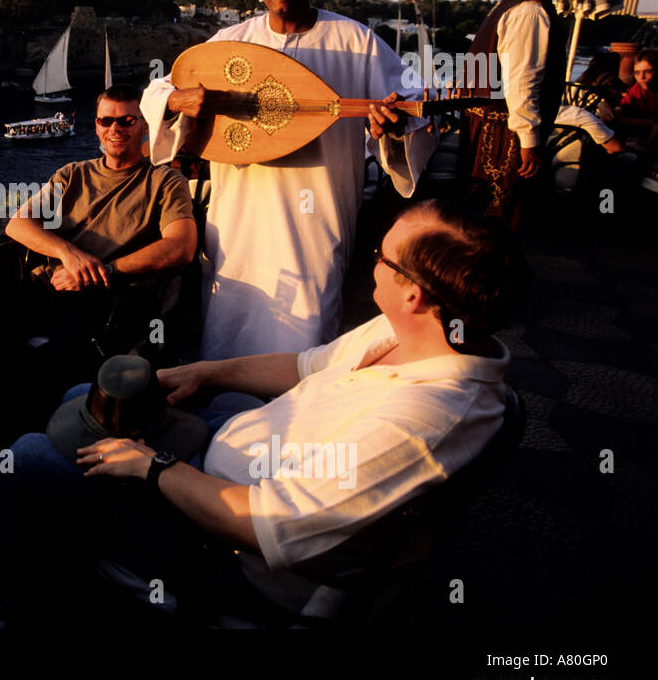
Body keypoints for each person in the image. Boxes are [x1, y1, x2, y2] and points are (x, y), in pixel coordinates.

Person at [68, 199, 528, 618]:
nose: (373, 267)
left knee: (24, 460)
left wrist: (154, 466)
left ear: (414, 294)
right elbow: (309, 366)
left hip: (227, 546)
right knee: (82, 399)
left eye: (382, 259)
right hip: (227, 453)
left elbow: (270, 524)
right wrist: (206, 373)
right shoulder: (417, 331)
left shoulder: (427, 420)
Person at [141, 0, 434, 362]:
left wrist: (389, 129)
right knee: (231, 313)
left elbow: (414, 104)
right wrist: (178, 98)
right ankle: (226, 412)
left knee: (309, 321)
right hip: (241, 210)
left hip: (319, 211)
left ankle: (296, 416)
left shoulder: (356, 42)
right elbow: (154, 94)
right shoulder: (232, 41)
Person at [5, 86, 196, 293]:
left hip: (108, 299)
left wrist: (101, 272)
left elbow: (181, 246)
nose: (114, 129)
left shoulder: (166, 181)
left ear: (146, 126)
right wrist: (68, 253)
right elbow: (17, 224)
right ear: (97, 126)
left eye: (126, 121)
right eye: (105, 121)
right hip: (51, 285)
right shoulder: (72, 174)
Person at [460, 0, 585, 225]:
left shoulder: (512, 2)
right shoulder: (530, 11)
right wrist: (528, 140)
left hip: (490, 127)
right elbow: (522, 80)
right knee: (501, 216)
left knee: (484, 216)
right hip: (503, 134)